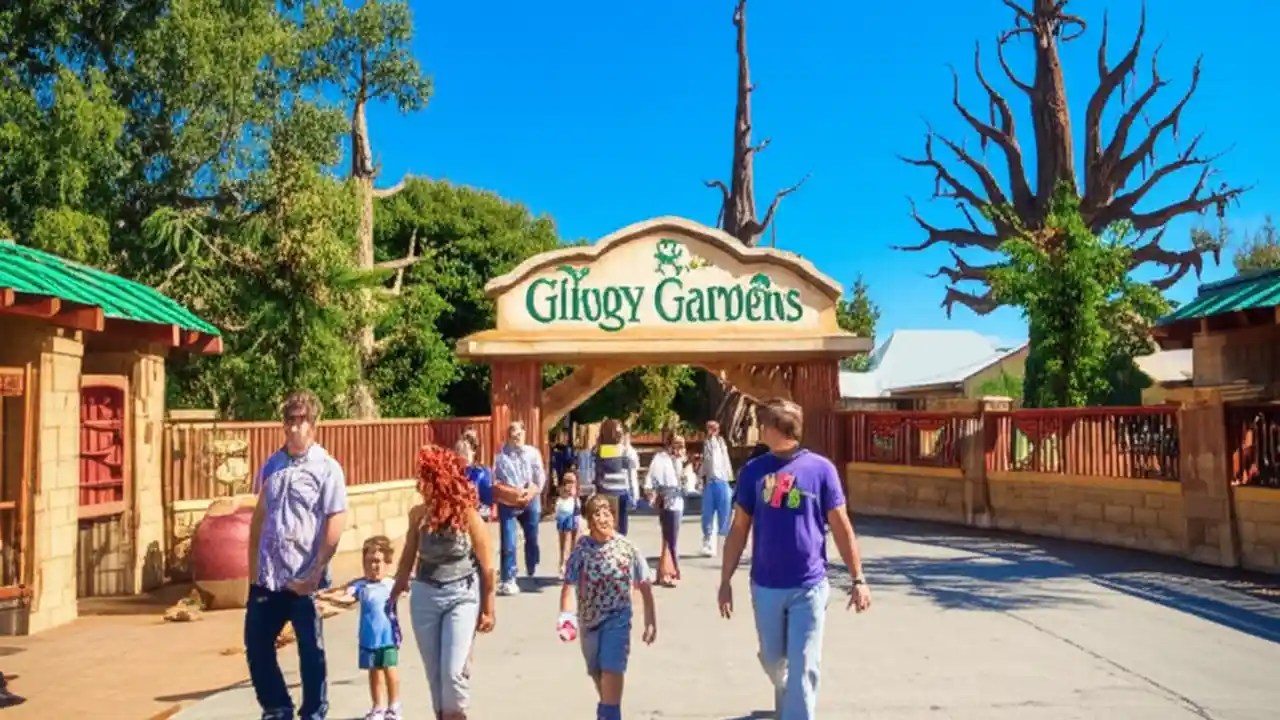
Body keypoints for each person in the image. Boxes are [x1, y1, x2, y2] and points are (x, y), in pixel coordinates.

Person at [717, 397, 872, 720]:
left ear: (776, 428)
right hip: (766, 584)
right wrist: (725, 580)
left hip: (809, 584)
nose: (760, 429)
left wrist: (858, 578)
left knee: (803, 665)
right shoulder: (753, 472)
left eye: (763, 424)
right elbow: (739, 528)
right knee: (775, 661)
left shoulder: (821, 470)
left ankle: (796, 713)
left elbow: (842, 527)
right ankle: (788, 704)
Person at [246, 390, 348, 720]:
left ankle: (314, 713)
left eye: (301, 421)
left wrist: (316, 571)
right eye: (289, 420)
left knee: (311, 651)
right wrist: (251, 573)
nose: (294, 427)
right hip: (268, 577)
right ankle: (277, 707)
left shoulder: (327, 468)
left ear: (313, 425)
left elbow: (336, 517)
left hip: (305, 577)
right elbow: (259, 517)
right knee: (257, 646)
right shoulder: (272, 466)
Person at [391, 445, 497, 720]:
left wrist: (488, 608)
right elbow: (408, 556)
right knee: (435, 678)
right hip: (425, 595)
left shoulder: (467, 515)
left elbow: (487, 567)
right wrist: (392, 594)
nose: (420, 485)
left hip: (461, 594)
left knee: (452, 675)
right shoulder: (419, 515)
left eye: (426, 478)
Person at [559, 494, 658, 720]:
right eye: (597, 514)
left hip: (618, 619)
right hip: (589, 622)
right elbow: (569, 585)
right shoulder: (582, 550)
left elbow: (644, 585)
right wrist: (566, 618)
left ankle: (609, 715)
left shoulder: (627, 548)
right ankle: (609, 711)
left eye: (608, 513)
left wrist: (650, 621)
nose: (603, 518)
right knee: (599, 674)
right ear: (589, 520)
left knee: (611, 669)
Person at [339, 536, 403, 720]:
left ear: (387, 562)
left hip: (388, 637)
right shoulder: (360, 586)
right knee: (374, 672)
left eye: (378, 562)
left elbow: (408, 587)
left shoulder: (391, 584)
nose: (373, 566)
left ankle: (394, 706)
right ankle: (378, 707)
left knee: (390, 670)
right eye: (369, 562)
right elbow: (346, 598)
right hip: (368, 637)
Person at [492, 420, 545, 595]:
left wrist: (532, 492)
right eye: (513, 433)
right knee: (508, 540)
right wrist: (510, 493)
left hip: (530, 500)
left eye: (519, 433)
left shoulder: (533, 453)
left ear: (524, 433)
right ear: (508, 436)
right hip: (509, 502)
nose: (517, 437)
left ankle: (532, 562)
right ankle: (508, 578)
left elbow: (540, 478)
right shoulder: (500, 456)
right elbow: (496, 481)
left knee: (532, 537)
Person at [646, 432, 687, 587]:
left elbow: (685, 482)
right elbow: (652, 478)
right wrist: (652, 493)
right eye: (676, 444)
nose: (679, 448)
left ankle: (666, 571)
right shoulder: (661, 458)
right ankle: (670, 571)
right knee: (669, 538)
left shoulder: (681, 461)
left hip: (677, 501)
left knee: (670, 538)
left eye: (682, 445)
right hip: (666, 500)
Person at [592, 419, 636, 535]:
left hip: (605, 492)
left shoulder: (599, 450)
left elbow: (597, 474)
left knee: (607, 526)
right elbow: (632, 468)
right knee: (621, 528)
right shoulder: (623, 450)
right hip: (621, 492)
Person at [699, 420, 735, 558]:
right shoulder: (706, 444)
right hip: (711, 481)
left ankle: (726, 542)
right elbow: (706, 462)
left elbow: (724, 461)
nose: (712, 430)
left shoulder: (721, 443)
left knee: (725, 513)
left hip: (723, 481)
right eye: (710, 428)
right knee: (707, 513)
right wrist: (699, 477)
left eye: (714, 428)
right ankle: (708, 541)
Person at [455, 438, 493, 522]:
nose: (463, 456)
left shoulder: (482, 472)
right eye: (461, 452)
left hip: (479, 513)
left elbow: (488, 501)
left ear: (473, 452)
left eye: (465, 452)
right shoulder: (452, 472)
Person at [555, 471, 583, 577]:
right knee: (564, 541)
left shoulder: (578, 490)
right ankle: (563, 563)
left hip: (576, 515)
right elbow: (563, 496)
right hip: (565, 516)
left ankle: (572, 565)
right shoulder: (563, 491)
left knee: (575, 542)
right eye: (567, 481)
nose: (570, 483)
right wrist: (567, 491)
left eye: (572, 481)